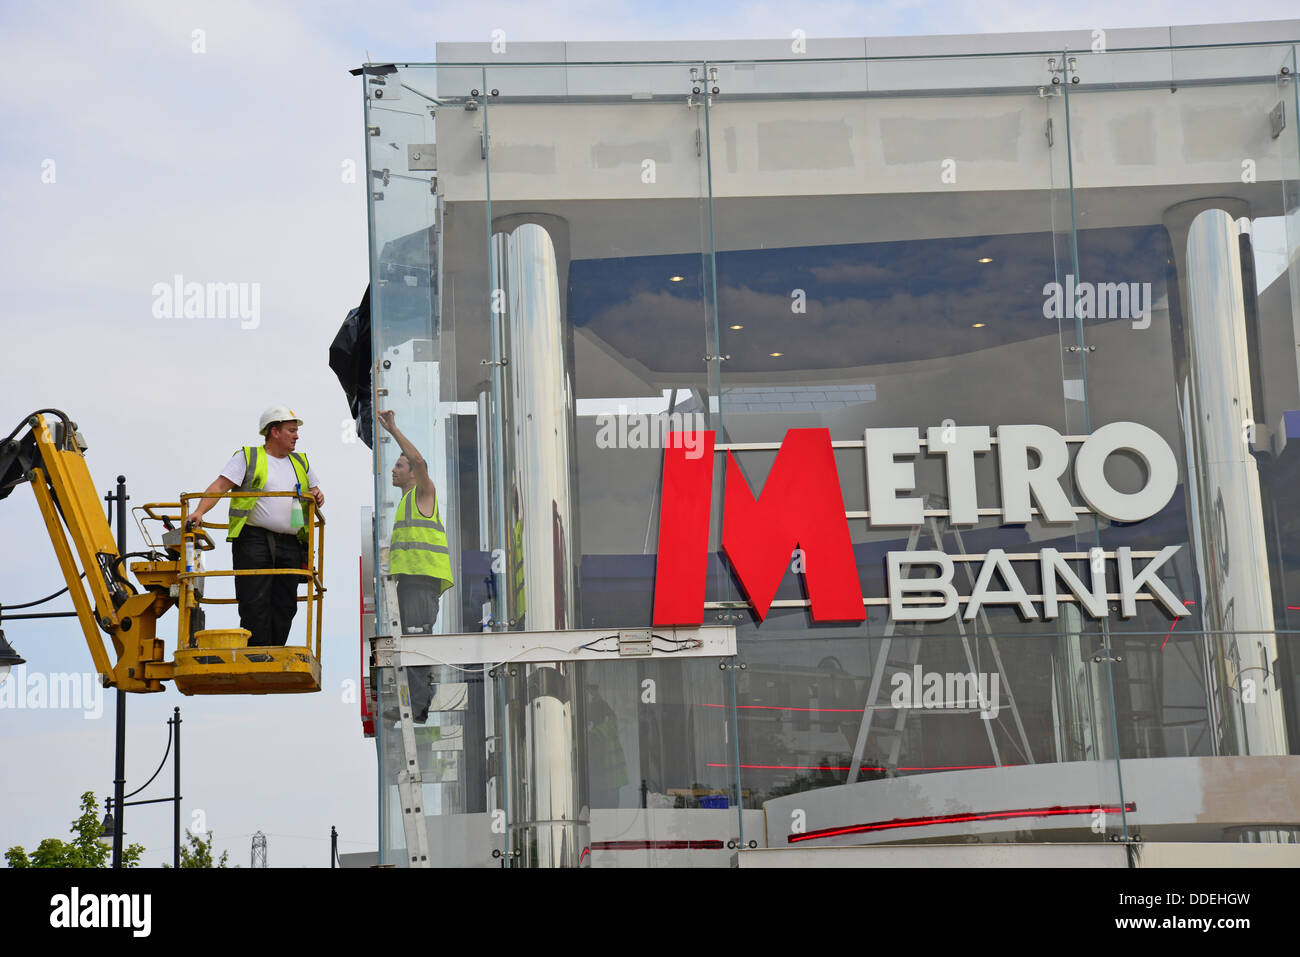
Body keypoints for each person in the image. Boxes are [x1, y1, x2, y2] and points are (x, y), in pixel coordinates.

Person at [188, 406, 324, 647]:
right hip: (254, 540)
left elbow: (313, 489)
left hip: (291, 543)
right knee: (254, 601)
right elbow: (219, 487)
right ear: (275, 432)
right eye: (291, 431)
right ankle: (257, 653)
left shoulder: (301, 462)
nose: (297, 436)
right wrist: (199, 511)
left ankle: (273, 653)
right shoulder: (248, 457)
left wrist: (317, 494)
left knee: (285, 605)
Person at [378, 409, 454, 723]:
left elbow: (421, 461)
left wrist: (394, 429)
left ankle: (418, 707)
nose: (393, 470)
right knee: (409, 642)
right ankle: (416, 704)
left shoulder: (425, 495)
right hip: (412, 584)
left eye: (399, 465)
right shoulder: (406, 504)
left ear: (412, 473)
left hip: (422, 583)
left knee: (416, 642)